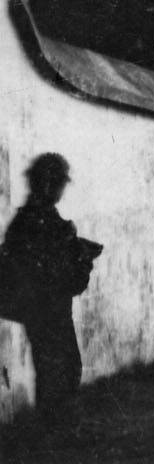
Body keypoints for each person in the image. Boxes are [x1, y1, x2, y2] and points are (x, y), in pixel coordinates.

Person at [0, 153, 100, 431]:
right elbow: (42, 269)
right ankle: (56, 432)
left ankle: (58, 429)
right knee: (58, 369)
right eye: (59, 184)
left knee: (62, 367)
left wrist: (73, 247)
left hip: (49, 309)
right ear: (48, 184)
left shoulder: (38, 218)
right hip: (46, 310)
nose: (61, 191)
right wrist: (77, 255)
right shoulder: (34, 220)